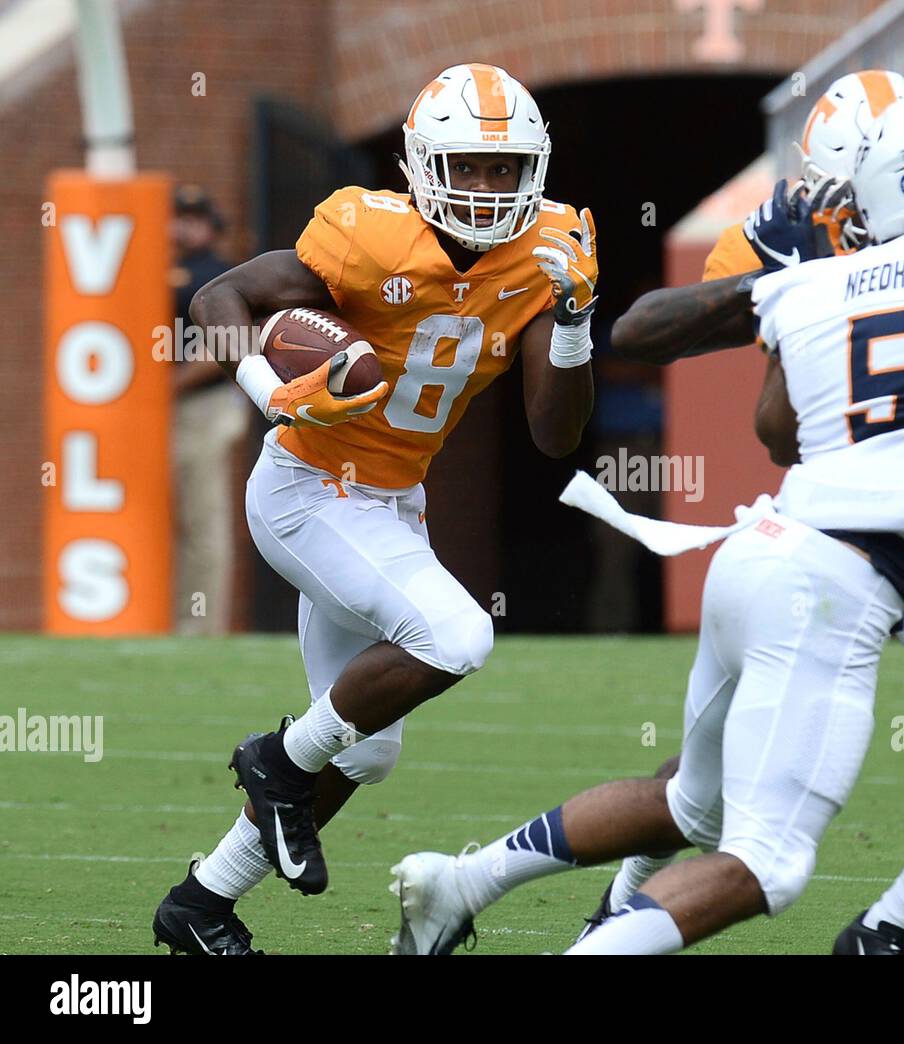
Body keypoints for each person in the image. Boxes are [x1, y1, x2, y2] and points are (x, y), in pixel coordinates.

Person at [386, 95, 904, 957]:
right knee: (754, 852)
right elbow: (774, 426)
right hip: (841, 554)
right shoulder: (802, 246)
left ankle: (886, 921)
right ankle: (602, 914)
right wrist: (798, 286)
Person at [150, 63, 597, 955]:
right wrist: (264, 387)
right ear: (422, 164)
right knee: (459, 636)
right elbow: (217, 297)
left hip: (392, 501)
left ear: (532, 171)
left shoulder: (551, 252)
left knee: (364, 750)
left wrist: (577, 318)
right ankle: (275, 761)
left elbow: (554, 433)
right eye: (465, 166)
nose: (483, 186)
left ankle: (202, 903)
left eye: (501, 168)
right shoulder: (367, 235)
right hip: (308, 488)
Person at [169, 185, 251, 636]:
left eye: (194, 218)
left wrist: (168, 386)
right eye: (179, 216)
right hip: (169, 412)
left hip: (202, 408)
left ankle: (199, 624)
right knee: (177, 518)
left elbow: (221, 345)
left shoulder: (214, 275)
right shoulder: (167, 270)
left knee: (203, 517)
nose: (184, 226)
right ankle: (170, 616)